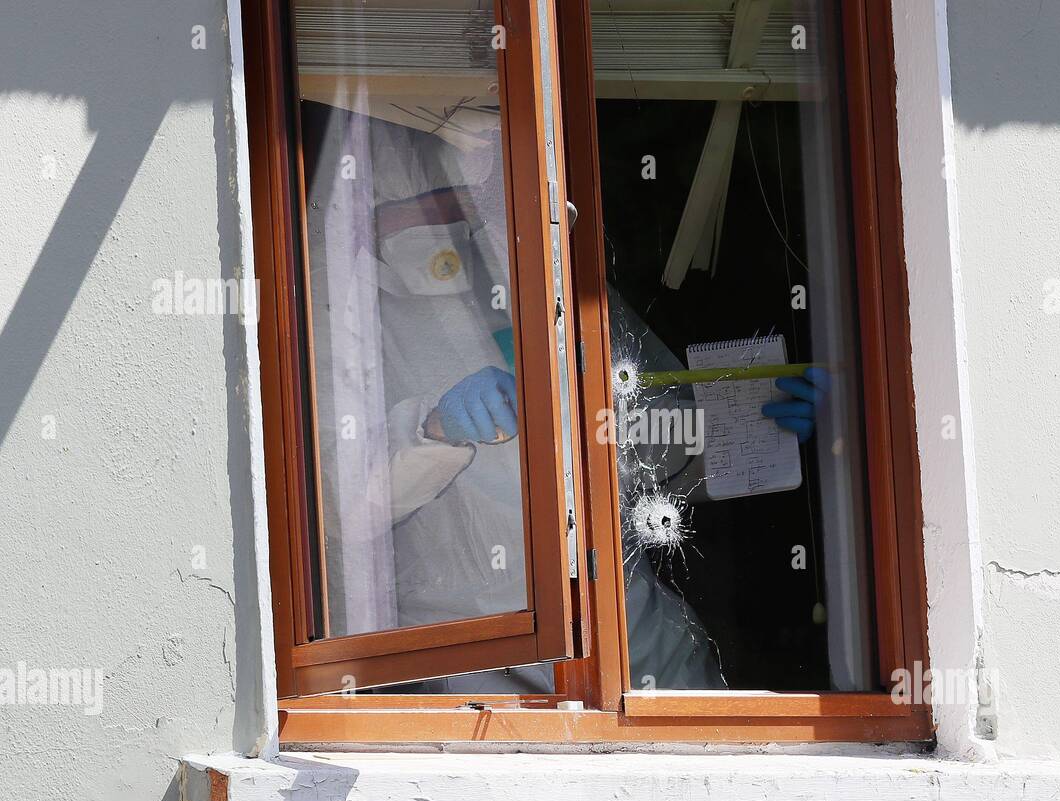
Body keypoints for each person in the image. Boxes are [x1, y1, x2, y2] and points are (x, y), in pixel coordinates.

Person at [316, 117, 825, 691]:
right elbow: (336, 507)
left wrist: (755, 426)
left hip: (629, 638)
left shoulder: (568, 290)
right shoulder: (344, 316)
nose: (454, 214)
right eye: (433, 198)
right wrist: (431, 431)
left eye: (468, 194)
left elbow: (655, 457)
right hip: (467, 665)